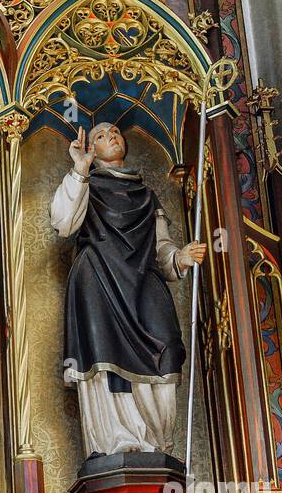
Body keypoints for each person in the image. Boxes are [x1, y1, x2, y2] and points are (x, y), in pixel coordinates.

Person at [50, 122, 206, 458]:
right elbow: (63, 223)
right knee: (106, 358)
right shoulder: (85, 184)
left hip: (143, 280)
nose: (112, 138)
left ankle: (158, 442)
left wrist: (179, 256)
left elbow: (160, 247)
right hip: (100, 281)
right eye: (101, 136)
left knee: (165, 348)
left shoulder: (147, 194)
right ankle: (118, 442)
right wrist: (80, 170)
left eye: (116, 132)